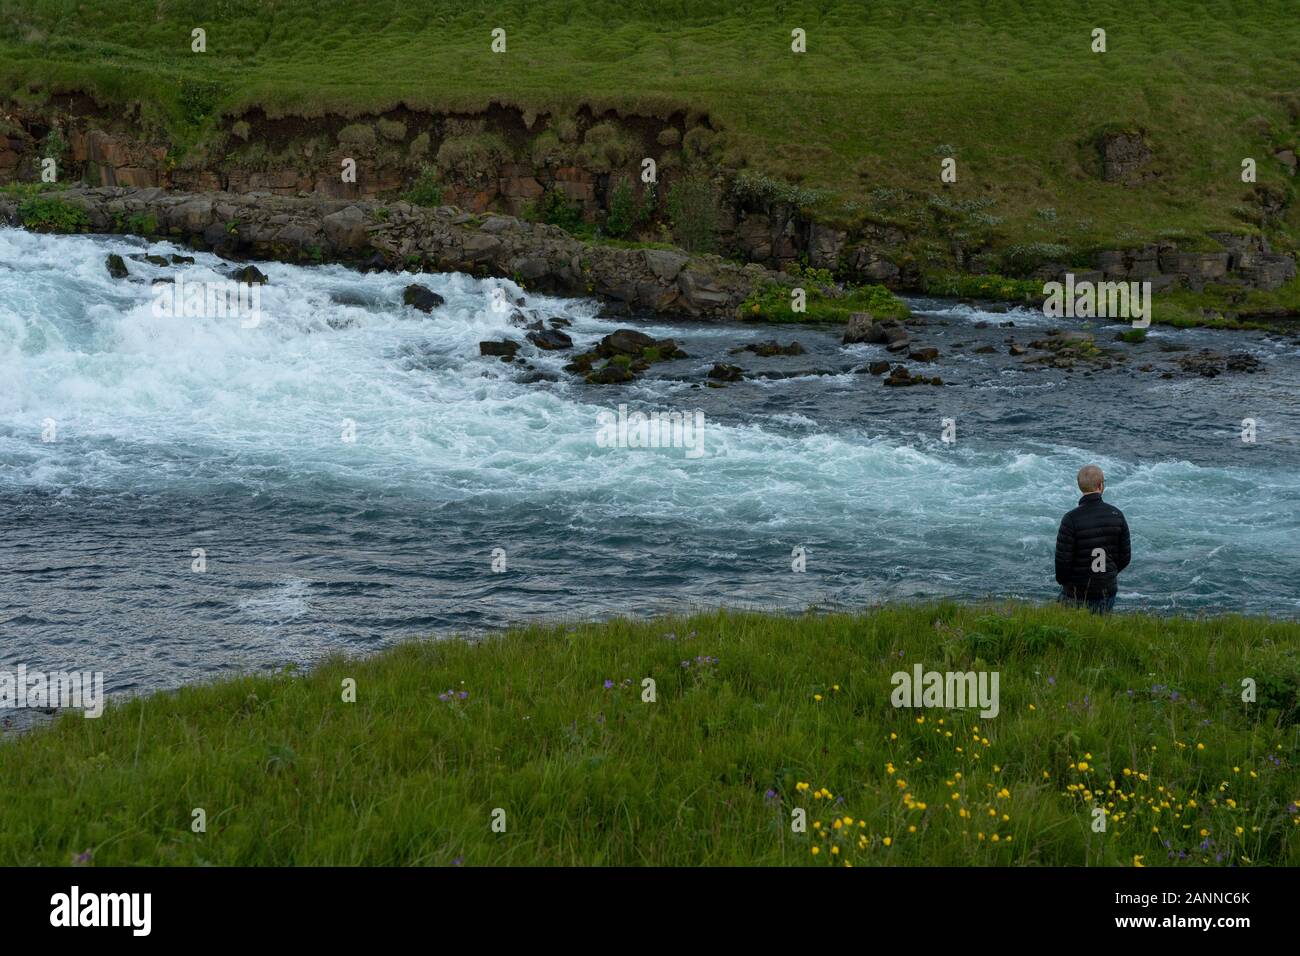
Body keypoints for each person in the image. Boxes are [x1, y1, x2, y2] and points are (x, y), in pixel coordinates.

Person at [1054, 464, 1130, 613]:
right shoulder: (1117, 514)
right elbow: (1125, 557)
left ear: (1080, 487)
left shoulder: (1070, 519)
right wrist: (1108, 574)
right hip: (1106, 589)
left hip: (1076, 590)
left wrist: (1066, 583)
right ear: (1101, 486)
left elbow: (1063, 561)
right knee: (1100, 630)